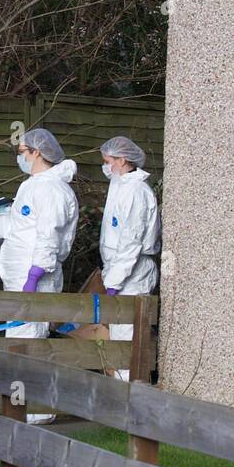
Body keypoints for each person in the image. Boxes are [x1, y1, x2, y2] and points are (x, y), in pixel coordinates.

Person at [0, 128, 79, 423]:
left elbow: (49, 236)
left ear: (38, 153)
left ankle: (35, 410)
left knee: (29, 341)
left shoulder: (51, 189)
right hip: (21, 276)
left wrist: (34, 273)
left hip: (34, 277)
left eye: (23, 152)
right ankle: (23, 407)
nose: (20, 157)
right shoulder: (34, 185)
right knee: (20, 340)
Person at [98, 134, 161, 382]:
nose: (105, 167)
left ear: (122, 160)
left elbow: (130, 241)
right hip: (120, 272)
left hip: (133, 274)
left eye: (108, 161)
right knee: (119, 334)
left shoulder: (136, 192)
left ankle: (129, 393)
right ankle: (121, 390)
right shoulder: (121, 187)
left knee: (128, 336)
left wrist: (114, 280)